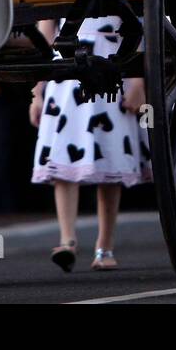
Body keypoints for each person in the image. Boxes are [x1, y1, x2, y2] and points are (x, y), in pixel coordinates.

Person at [29, 16, 149, 271]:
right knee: (63, 157)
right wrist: (38, 91)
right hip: (67, 65)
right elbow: (45, 36)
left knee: (110, 160)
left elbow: (139, 21)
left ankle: (104, 245)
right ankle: (67, 240)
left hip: (115, 60)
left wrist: (138, 79)